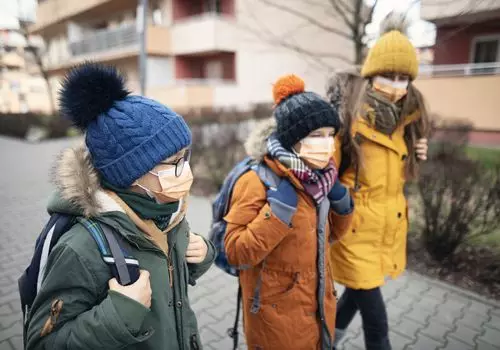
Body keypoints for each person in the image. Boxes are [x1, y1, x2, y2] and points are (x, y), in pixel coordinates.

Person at [25, 62, 215, 350]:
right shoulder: (81, 247)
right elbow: (42, 342)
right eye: (173, 162)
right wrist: (118, 314)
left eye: (185, 157)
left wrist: (202, 255)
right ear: (130, 172)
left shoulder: (166, 211)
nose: (185, 170)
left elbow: (169, 274)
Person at [224, 74, 354, 349]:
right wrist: (277, 214)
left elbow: (328, 237)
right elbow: (235, 252)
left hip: (319, 306)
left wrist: (342, 206)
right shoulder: (257, 180)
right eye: (316, 135)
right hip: (275, 321)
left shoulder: (321, 179)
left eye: (331, 135)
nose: (327, 144)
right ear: (292, 139)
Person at [327, 13, 430, 350]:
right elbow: (327, 176)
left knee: (357, 296)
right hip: (355, 232)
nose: (396, 84)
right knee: (378, 325)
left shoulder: (406, 121)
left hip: (387, 231)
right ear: (372, 74)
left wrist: (415, 155)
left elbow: (396, 178)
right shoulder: (348, 119)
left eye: (404, 77)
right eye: (388, 75)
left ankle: (326, 341)